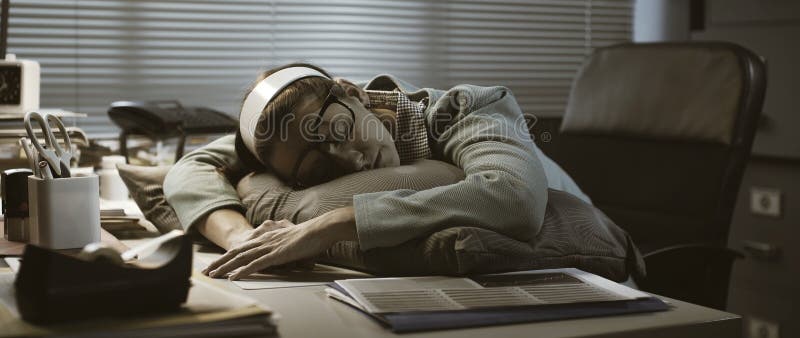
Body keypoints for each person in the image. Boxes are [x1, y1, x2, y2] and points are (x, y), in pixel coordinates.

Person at [163, 63, 588, 280]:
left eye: (340, 130)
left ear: (352, 93)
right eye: (318, 167)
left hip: (600, 280)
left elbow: (515, 196)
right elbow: (192, 165)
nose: (349, 159)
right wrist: (240, 237)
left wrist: (332, 223)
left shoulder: (468, 108)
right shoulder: (285, 138)